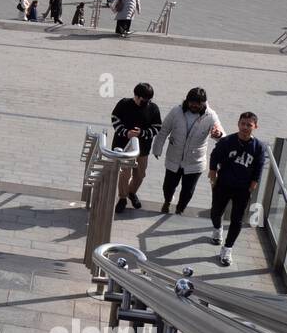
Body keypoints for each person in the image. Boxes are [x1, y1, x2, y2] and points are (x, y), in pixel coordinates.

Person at [208, 112, 268, 266]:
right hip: (223, 184)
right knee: (215, 212)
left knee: (237, 220)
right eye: (243, 123)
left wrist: (253, 184)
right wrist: (213, 172)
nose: (245, 127)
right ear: (238, 124)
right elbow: (214, 156)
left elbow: (259, 166)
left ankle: (227, 248)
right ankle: (217, 228)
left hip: (242, 188)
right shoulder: (227, 141)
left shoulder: (259, 147)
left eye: (249, 125)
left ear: (255, 126)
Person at [152, 86, 223, 214]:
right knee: (168, 187)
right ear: (187, 100)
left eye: (198, 103)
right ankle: (167, 201)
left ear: (204, 103)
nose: (194, 105)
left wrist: (218, 134)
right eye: (192, 102)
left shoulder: (211, 116)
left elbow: (222, 135)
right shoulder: (176, 111)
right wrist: (157, 148)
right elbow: (164, 130)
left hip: (195, 162)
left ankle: (180, 209)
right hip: (174, 158)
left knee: (188, 191)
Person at [111, 81, 162, 213]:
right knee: (124, 174)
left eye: (149, 100)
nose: (146, 102)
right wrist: (126, 132)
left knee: (140, 174)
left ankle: (131, 192)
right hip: (124, 148)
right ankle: (122, 198)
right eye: (144, 100)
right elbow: (115, 119)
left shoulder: (153, 108)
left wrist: (142, 133)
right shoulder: (124, 104)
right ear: (137, 96)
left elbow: (157, 127)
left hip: (143, 149)